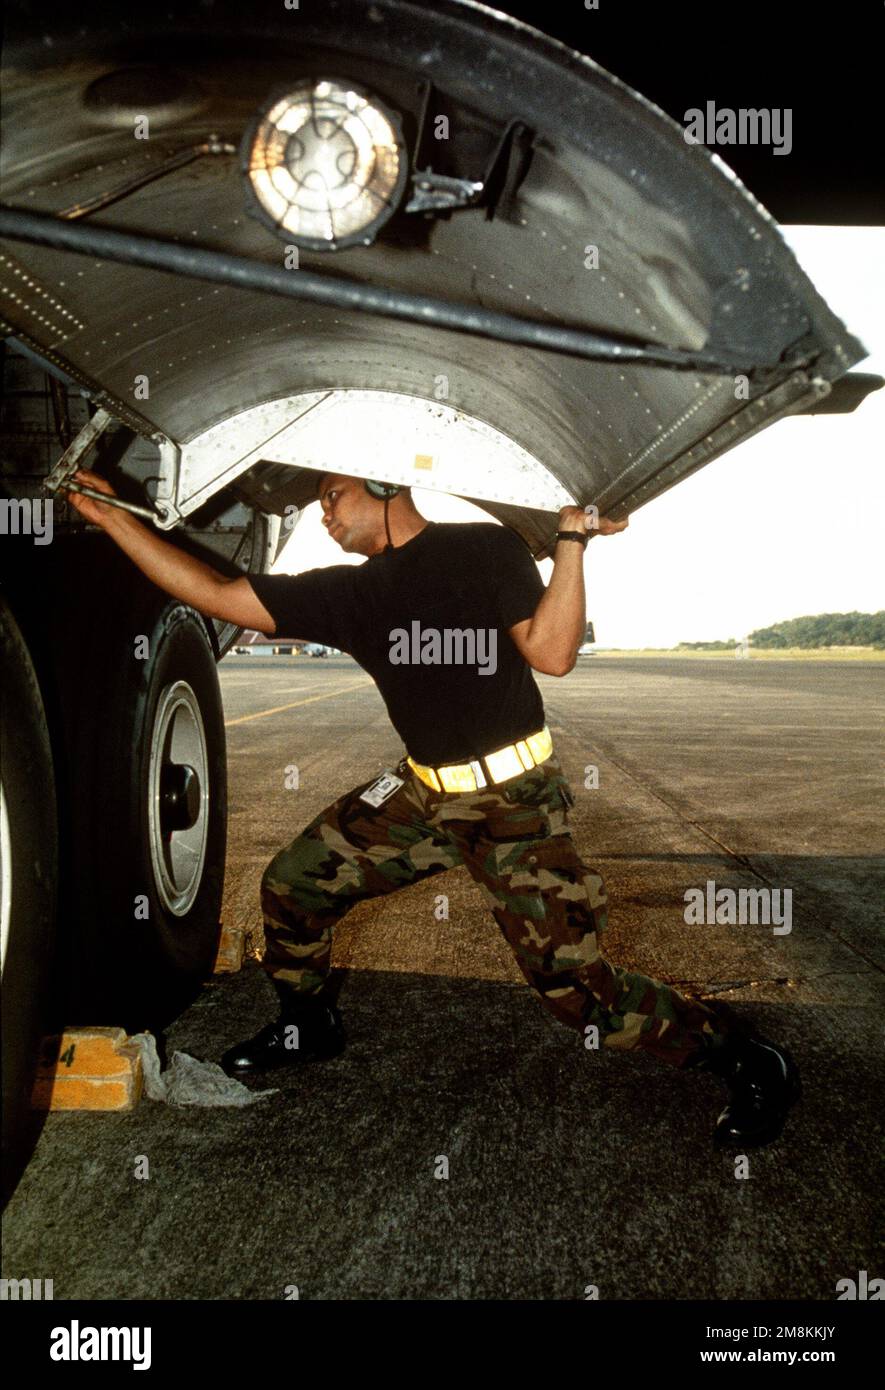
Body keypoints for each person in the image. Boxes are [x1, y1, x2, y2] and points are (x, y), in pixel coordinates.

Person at [65, 465, 801, 1150]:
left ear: (387, 486)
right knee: (294, 885)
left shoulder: (483, 551)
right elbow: (217, 596)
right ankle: (307, 1021)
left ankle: (738, 1054)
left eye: (333, 496)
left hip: (511, 805)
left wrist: (571, 543)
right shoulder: (349, 592)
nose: (322, 514)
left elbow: (550, 652)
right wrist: (114, 521)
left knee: (578, 997)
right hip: (419, 794)